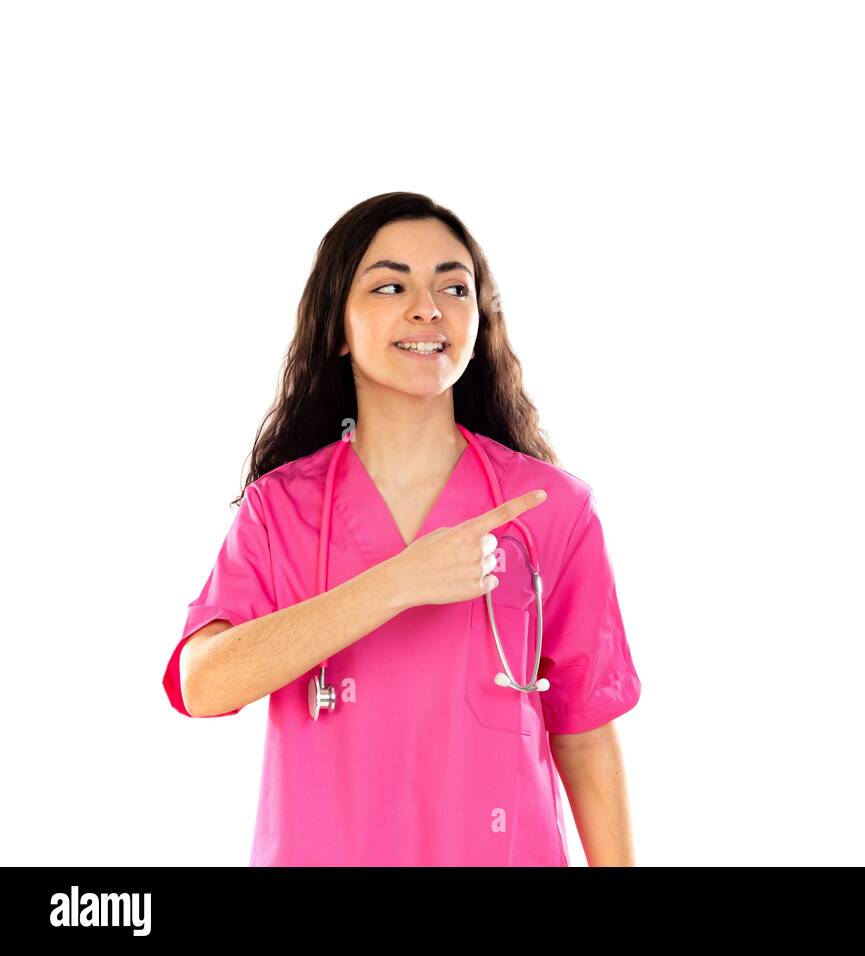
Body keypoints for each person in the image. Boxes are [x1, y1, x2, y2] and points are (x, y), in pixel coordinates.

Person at [161, 192, 642, 866]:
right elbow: (201, 683)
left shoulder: (549, 509)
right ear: (338, 327)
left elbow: (586, 732)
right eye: (391, 285)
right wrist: (398, 582)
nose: (429, 306)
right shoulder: (282, 509)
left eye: (454, 286)